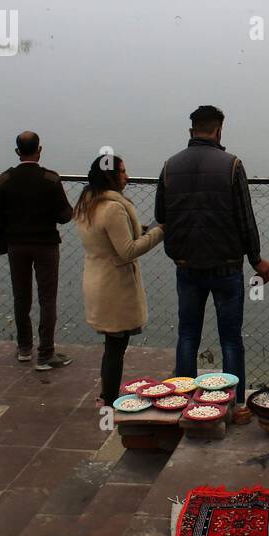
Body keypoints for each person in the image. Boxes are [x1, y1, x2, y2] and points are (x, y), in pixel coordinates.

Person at [155, 105, 269, 423]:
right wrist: (256, 259)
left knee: (188, 335)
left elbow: (161, 216)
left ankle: (180, 402)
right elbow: (245, 218)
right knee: (231, 338)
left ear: (191, 131)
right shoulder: (232, 165)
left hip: (187, 266)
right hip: (226, 266)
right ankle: (236, 406)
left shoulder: (169, 167)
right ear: (219, 131)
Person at [74, 154, 164, 407]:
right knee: (115, 345)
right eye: (123, 172)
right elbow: (127, 251)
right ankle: (109, 399)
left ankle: (107, 395)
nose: (127, 176)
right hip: (114, 285)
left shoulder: (88, 204)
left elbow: (110, 240)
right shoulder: (113, 207)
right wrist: (159, 232)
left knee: (112, 343)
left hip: (96, 277)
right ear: (111, 176)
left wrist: (140, 231)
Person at [0, 131, 74, 370]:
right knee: (47, 298)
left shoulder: (5, 179)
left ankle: (24, 348)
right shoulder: (50, 180)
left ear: (17, 151)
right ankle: (45, 354)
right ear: (40, 150)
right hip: (46, 244)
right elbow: (66, 215)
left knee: (21, 296)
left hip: (16, 244)